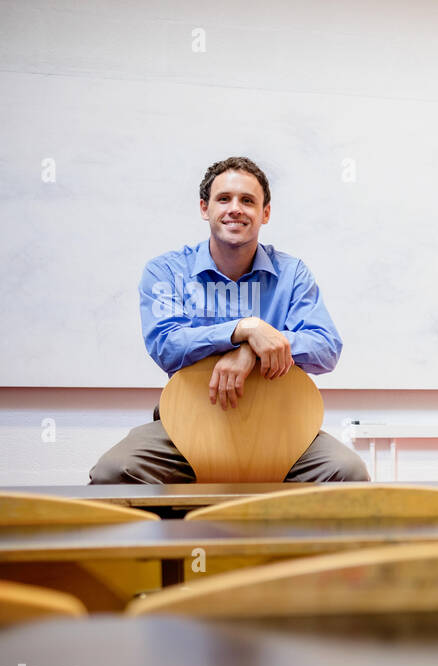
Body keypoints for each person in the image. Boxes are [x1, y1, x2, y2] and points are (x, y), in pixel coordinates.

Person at [89, 156, 369, 484]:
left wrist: (252, 349)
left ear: (265, 213)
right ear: (204, 208)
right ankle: (182, 535)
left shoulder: (292, 273)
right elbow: (167, 345)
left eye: (247, 201)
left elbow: (326, 349)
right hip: (185, 424)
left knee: (347, 472)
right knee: (113, 472)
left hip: (281, 426)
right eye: (224, 199)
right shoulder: (165, 271)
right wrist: (243, 329)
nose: (235, 208)